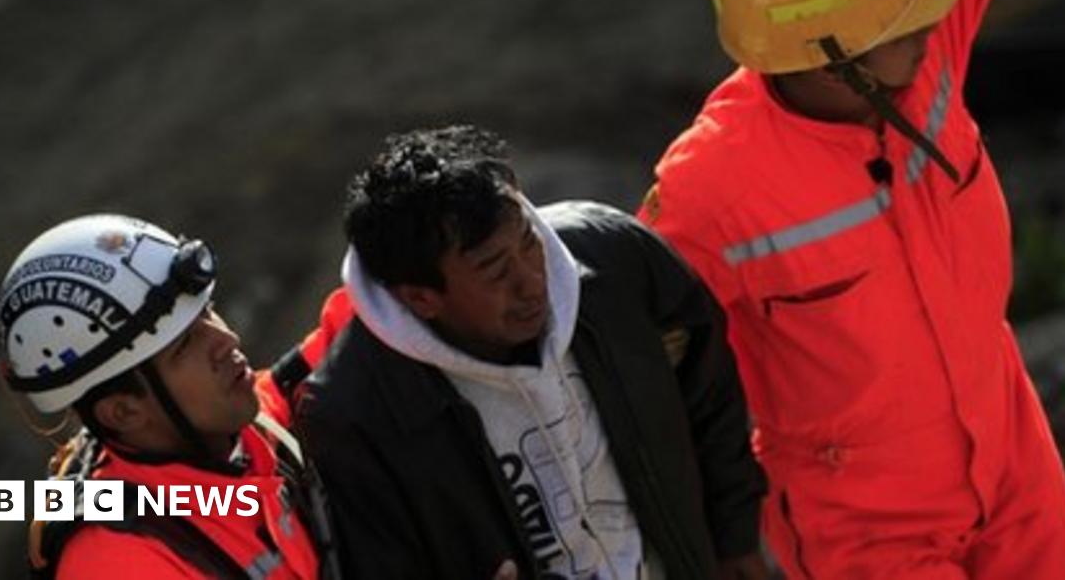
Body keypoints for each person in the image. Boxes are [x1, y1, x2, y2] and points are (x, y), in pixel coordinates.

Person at [638, 0, 1065, 577]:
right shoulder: (710, 192)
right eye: (908, 29)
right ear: (834, 62)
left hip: (1015, 474)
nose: (933, 27)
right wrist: (722, 538)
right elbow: (642, 375)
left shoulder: (908, 16)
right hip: (865, 532)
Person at [290, 126, 767, 580]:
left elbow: (709, 394)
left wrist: (734, 536)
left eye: (529, 242)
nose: (533, 281)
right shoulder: (355, 413)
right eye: (496, 271)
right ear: (421, 298)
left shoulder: (613, 258)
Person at [0, 214, 336, 579]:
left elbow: (343, 341)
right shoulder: (117, 563)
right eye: (185, 344)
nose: (227, 340)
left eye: (207, 311)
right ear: (124, 412)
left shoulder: (239, 434)